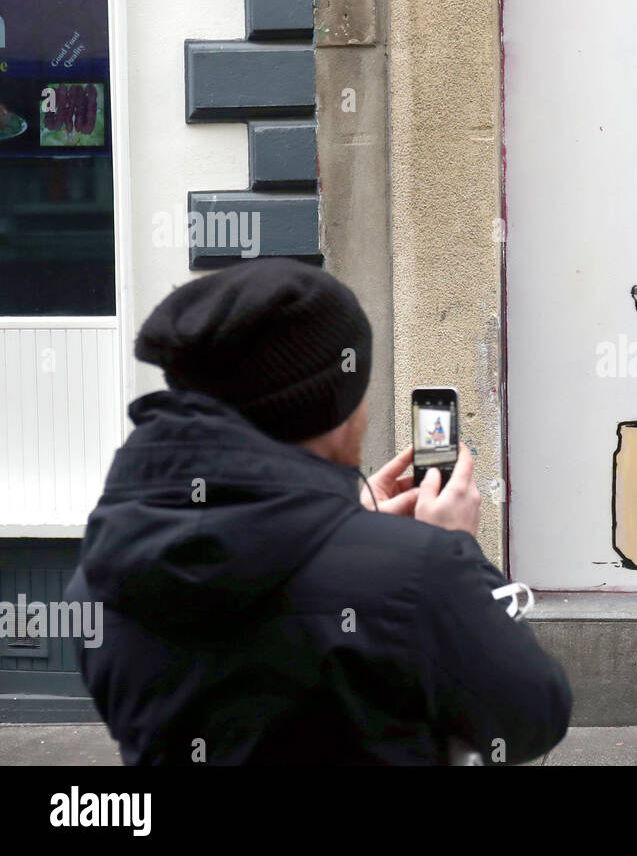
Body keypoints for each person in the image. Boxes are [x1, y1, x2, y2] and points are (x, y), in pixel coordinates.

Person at [65, 258, 571, 765]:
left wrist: (336, 523)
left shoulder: (100, 576)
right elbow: (534, 717)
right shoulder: (419, 576)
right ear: (334, 410)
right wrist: (456, 551)